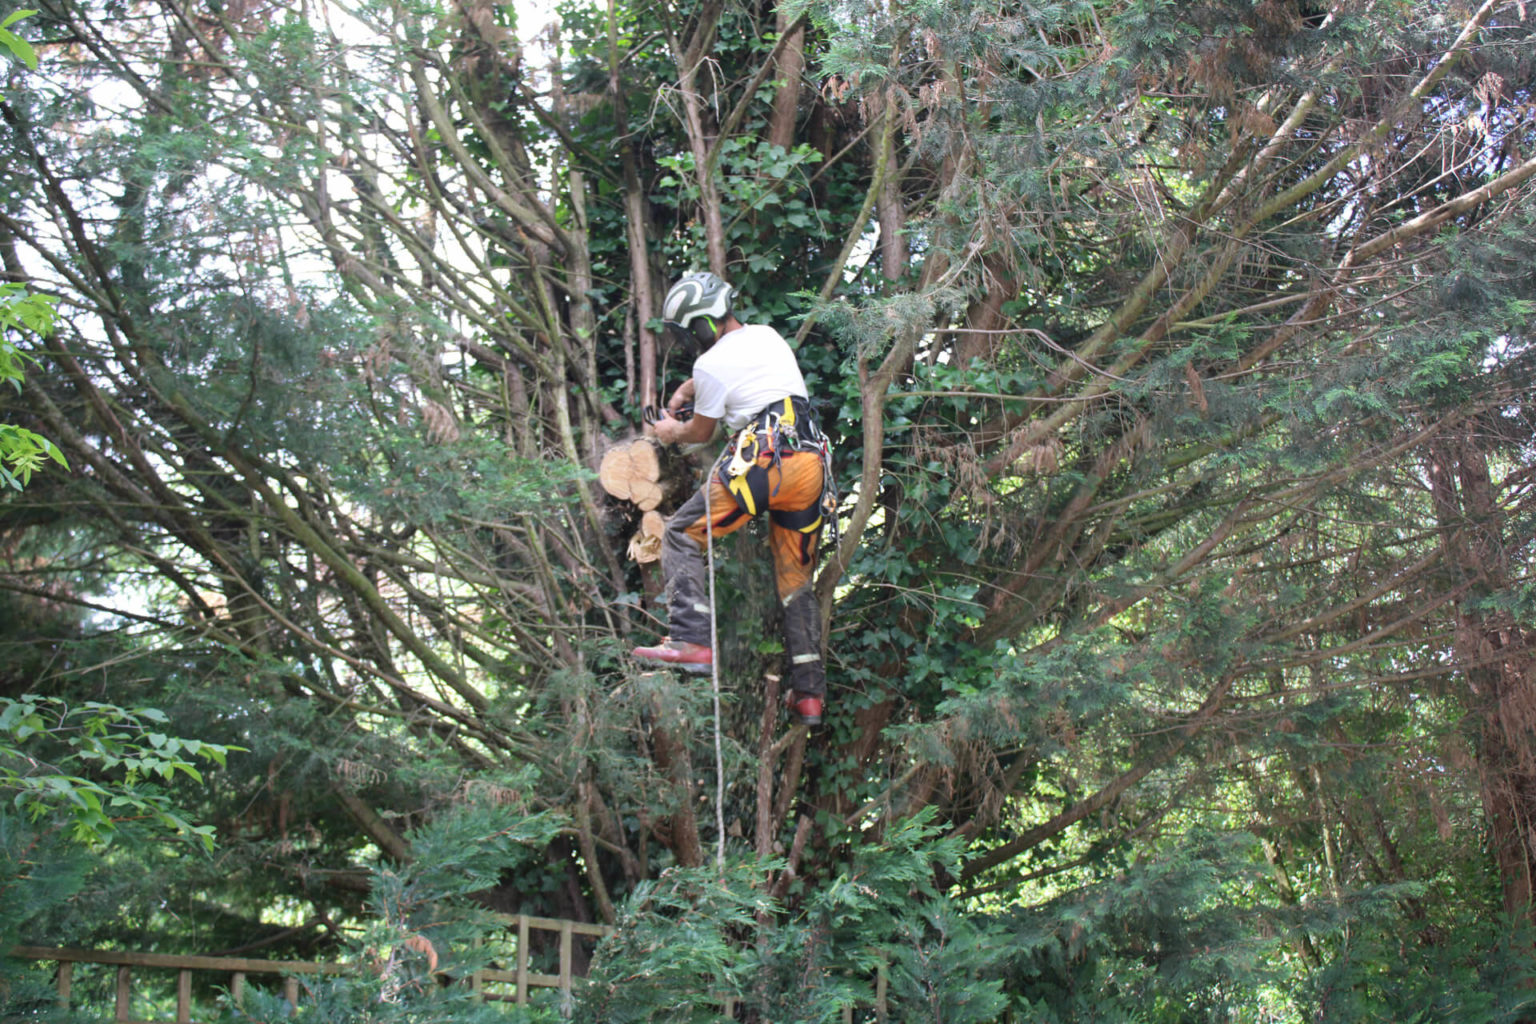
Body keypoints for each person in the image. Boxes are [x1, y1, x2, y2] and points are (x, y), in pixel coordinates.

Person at [632, 271, 833, 727]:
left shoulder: (709, 365)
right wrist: (688, 389)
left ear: (700, 325)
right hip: (809, 462)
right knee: (794, 581)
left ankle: (690, 639)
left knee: (682, 533)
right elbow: (737, 375)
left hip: (763, 458)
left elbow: (700, 432)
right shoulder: (765, 336)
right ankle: (808, 695)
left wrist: (669, 430)